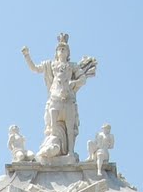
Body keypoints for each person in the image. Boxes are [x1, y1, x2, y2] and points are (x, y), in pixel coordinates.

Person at [21, 34, 97, 162]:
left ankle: (70, 153)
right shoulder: (50, 64)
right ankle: (54, 147)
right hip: (54, 98)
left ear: (68, 53)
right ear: (56, 52)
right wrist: (27, 56)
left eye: (64, 49)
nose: (61, 50)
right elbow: (34, 69)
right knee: (52, 127)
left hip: (68, 100)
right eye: (59, 49)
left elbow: (83, 79)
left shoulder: (72, 66)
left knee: (70, 128)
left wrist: (75, 83)